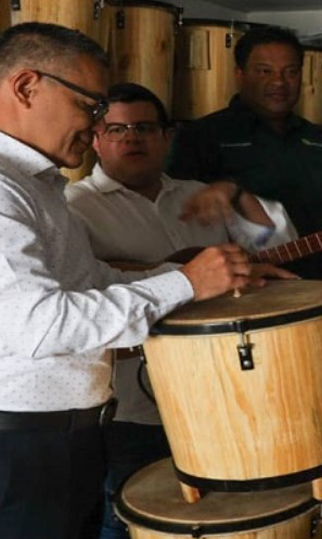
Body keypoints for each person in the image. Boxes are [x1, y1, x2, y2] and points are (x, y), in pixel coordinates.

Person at [0, 23, 287, 539]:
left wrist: (208, 275)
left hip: (59, 445)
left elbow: (90, 282)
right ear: (26, 87)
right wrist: (186, 284)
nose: (97, 125)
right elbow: (41, 325)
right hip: (8, 454)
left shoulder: (34, 185)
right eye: (90, 106)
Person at [64, 82, 297, 539]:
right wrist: (184, 277)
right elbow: (81, 287)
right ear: (96, 139)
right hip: (131, 406)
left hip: (221, 392)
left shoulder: (198, 194)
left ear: (167, 137)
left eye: (145, 127)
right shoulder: (74, 207)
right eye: (117, 129)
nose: (132, 138)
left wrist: (236, 194)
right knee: (130, 519)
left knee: (221, 516)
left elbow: (278, 243)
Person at [167, 25, 322, 279]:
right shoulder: (201, 136)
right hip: (250, 288)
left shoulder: (314, 138)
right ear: (240, 75)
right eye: (264, 71)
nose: (279, 82)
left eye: (290, 72)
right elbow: (179, 220)